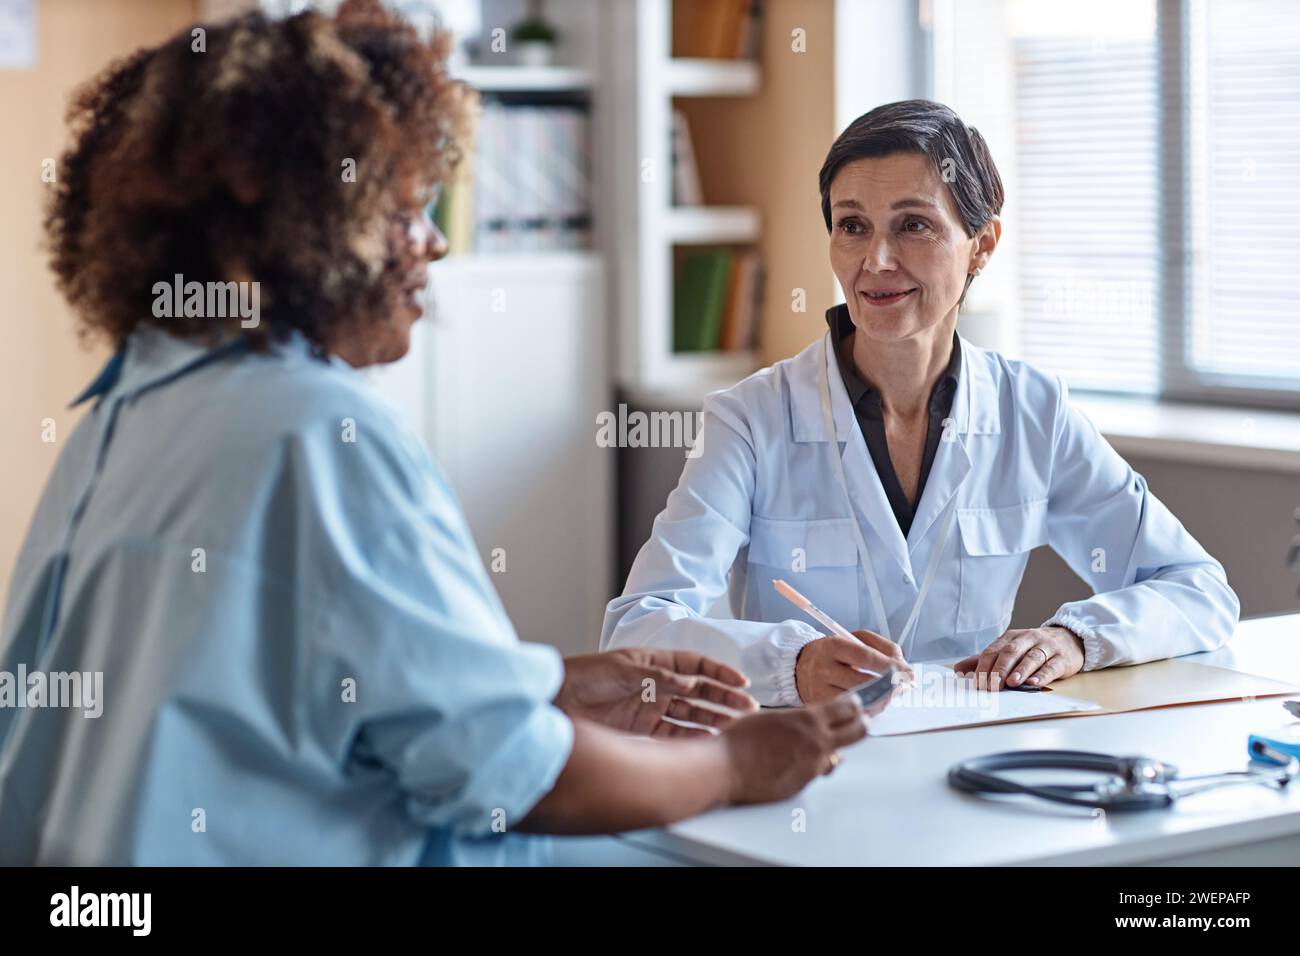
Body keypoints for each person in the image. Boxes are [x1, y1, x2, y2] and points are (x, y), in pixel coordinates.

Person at [0, 1, 875, 867]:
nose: (434, 245)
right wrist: (731, 764)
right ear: (307, 228)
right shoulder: (316, 434)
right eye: (408, 209)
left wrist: (547, 686)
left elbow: (302, 688)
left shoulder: (122, 416)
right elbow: (516, 778)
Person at [602, 99, 1240, 706]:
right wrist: (793, 663)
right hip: (811, 763)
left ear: (982, 246)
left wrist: (1076, 638)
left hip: (973, 764)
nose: (875, 260)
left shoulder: (1031, 412)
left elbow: (1198, 589)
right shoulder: (751, 418)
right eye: (852, 226)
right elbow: (637, 628)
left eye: (913, 225)